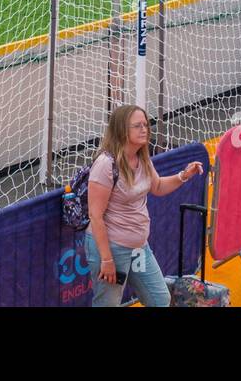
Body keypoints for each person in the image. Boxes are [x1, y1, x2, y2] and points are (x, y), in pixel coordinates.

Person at [84, 104, 204, 307]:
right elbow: (95, 216)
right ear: (122, 130)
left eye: (145, 125)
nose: (144, 129)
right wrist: (106, 259)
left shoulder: (142, 156)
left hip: (139, 248)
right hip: (112, 249)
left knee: (160, 300)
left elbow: (156, 186)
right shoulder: (105, 164)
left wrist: (184, 175)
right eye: (137, 126)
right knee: (107, 304)